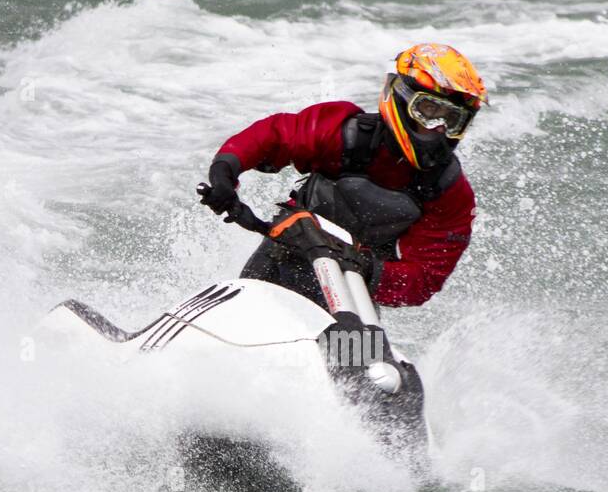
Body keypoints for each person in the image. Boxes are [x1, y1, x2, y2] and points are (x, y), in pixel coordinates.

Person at [197, 43, 487, 308]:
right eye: (428, 110)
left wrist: (364, 266)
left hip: (355, 295)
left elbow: (423, 280)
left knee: (359, 357)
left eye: (451, 119)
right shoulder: (342, 132)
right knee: (249, 316)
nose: (438, 128)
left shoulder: (450, 193)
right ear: (399, 96)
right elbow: (273, 136)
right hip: (280, 263)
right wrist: (225, 173)